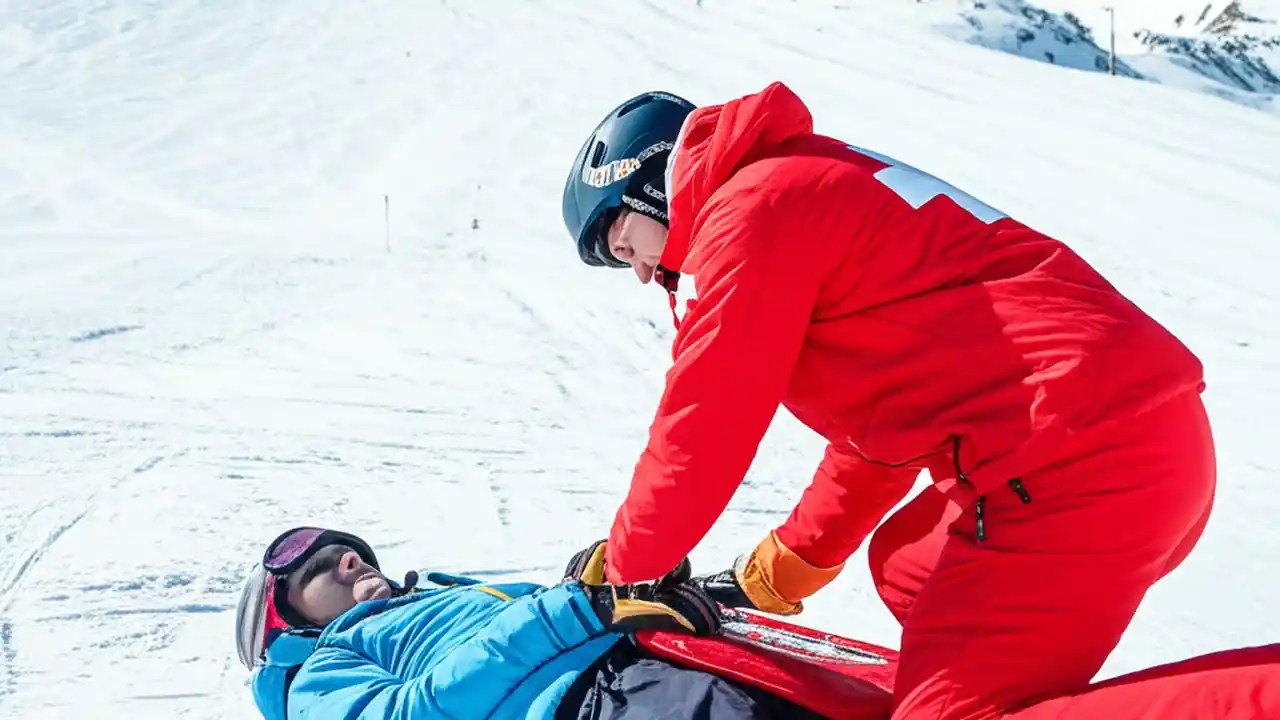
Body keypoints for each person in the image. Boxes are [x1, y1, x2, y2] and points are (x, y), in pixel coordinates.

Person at [559, 82, 1279, 719]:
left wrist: (624, 574)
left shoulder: (749, 214)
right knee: (909, 564)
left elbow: (705, 422)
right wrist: (787, 565)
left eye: (626, 246)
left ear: (648, 186)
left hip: (1074, 461)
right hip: (1131, 439)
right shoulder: (796, 183)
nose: (641, 271)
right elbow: (878, 429)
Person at [234, 526, 823, 720]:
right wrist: (578, 608)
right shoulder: (321, 672)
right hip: (587, 704)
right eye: (318, 568)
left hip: (649, 661)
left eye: (353, 552)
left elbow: (551, 612)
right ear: (288, 625)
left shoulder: (437, 597)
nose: (351, 559)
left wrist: (604, 584)